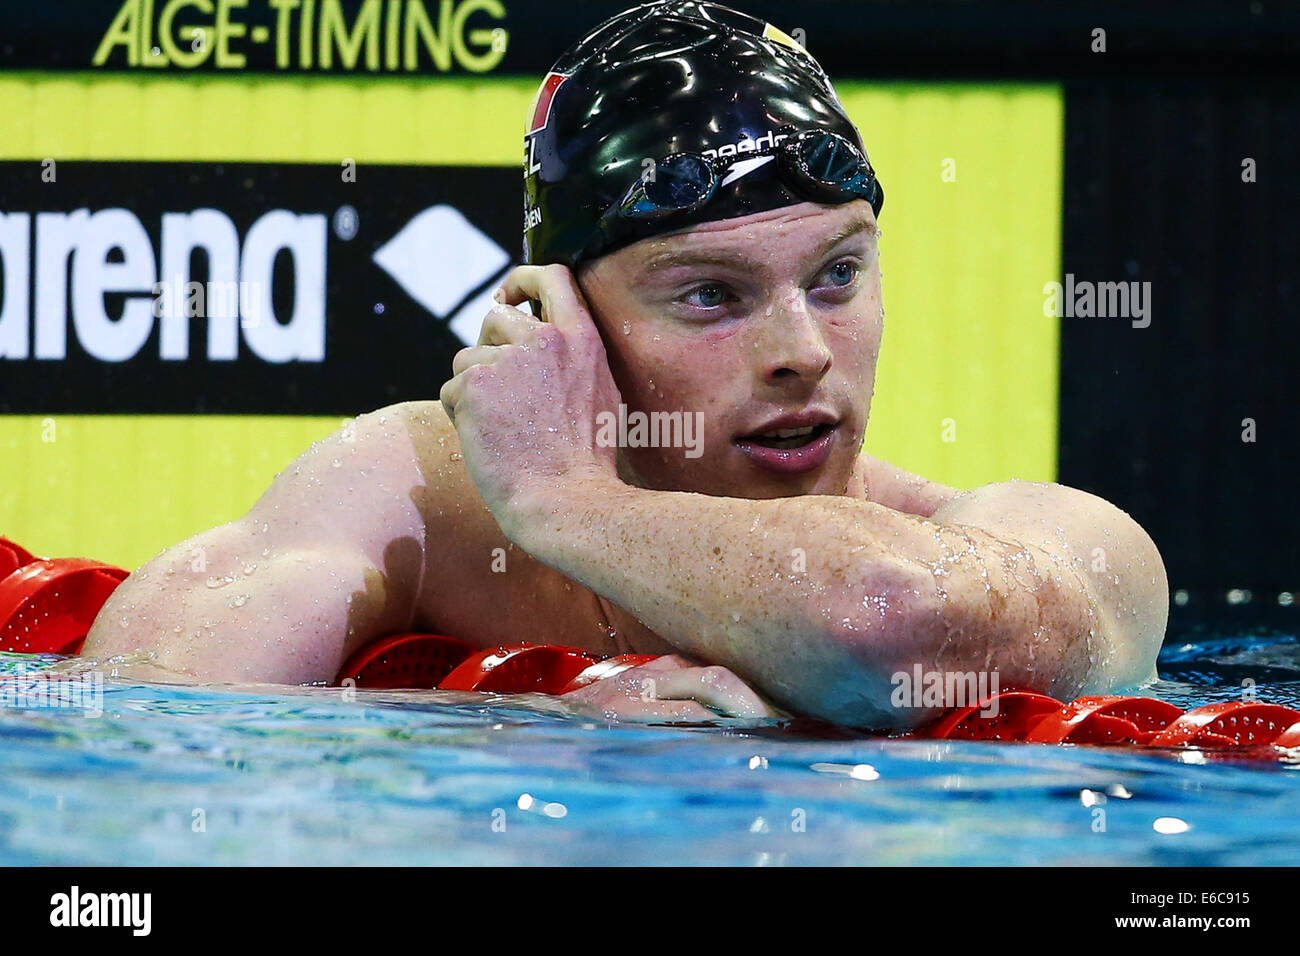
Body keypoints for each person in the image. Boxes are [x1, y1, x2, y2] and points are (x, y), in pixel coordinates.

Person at [83, 1, 1167, 728]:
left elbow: (883, 624)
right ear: (561, 315)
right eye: (711, 294)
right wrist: (518, 731)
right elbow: (137, 735)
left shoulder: (1063, 541)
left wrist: (561, 501)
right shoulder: (413, 505)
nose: (799, 351)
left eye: (836, 275)